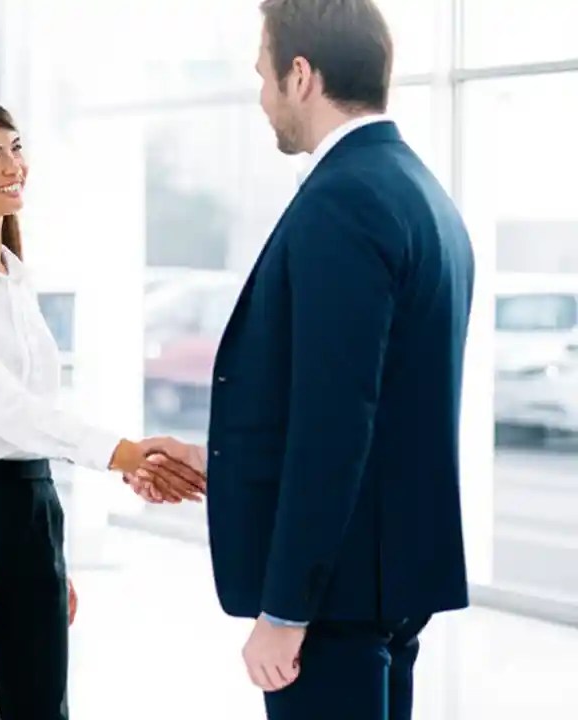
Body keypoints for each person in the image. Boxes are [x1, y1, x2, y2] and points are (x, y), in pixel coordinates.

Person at [130, 2, 474, 719]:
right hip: (389, 578)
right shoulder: (421, 194)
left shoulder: (342, 199)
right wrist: (219, 463)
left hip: (336, 595)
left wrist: (287, 610)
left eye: (263, 77)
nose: (261, 99)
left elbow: (336, 423)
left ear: (301, 75)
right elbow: (372, 406)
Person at [0, 98, 204, 720]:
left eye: (17, 148)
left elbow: (38, 413)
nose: (15, 165)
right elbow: (9, 412)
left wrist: (46, 558)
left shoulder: (15, 278)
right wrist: (124, 454)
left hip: (31, 514)